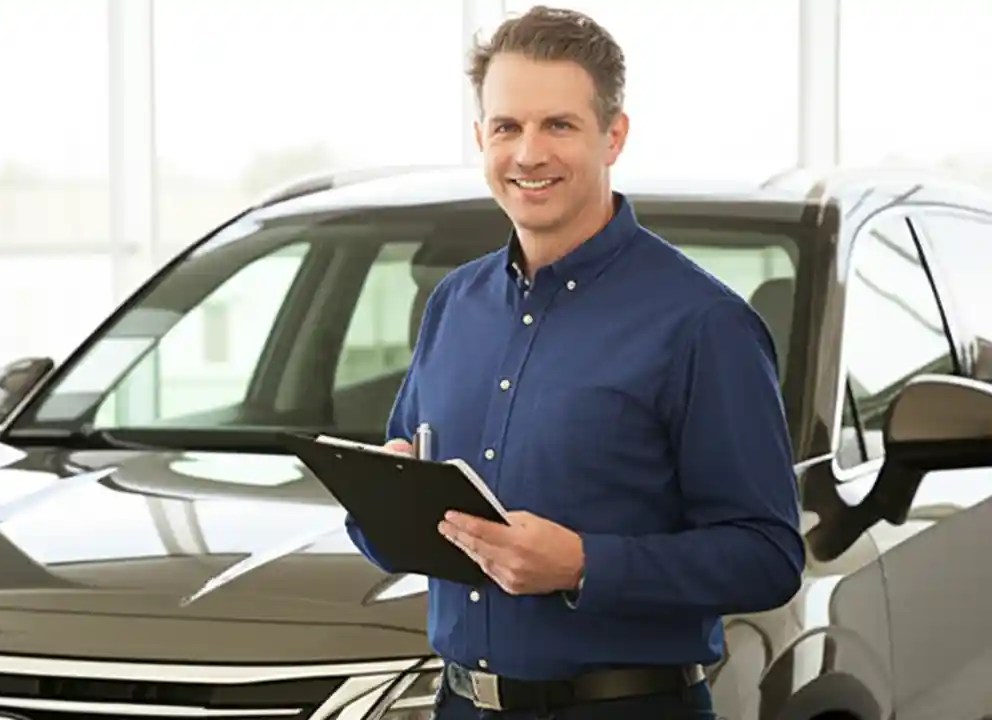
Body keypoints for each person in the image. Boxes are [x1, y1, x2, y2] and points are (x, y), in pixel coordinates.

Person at [344, 6, 805, 719]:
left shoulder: (703, 324)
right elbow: (403, 505)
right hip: (459, 705)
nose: (528, 154)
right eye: (507, 127)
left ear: (613, 136)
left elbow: (767, 557)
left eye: (558, 125)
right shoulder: (454, 304)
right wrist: (385, 503)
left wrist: (584, 565)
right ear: (481, 138)